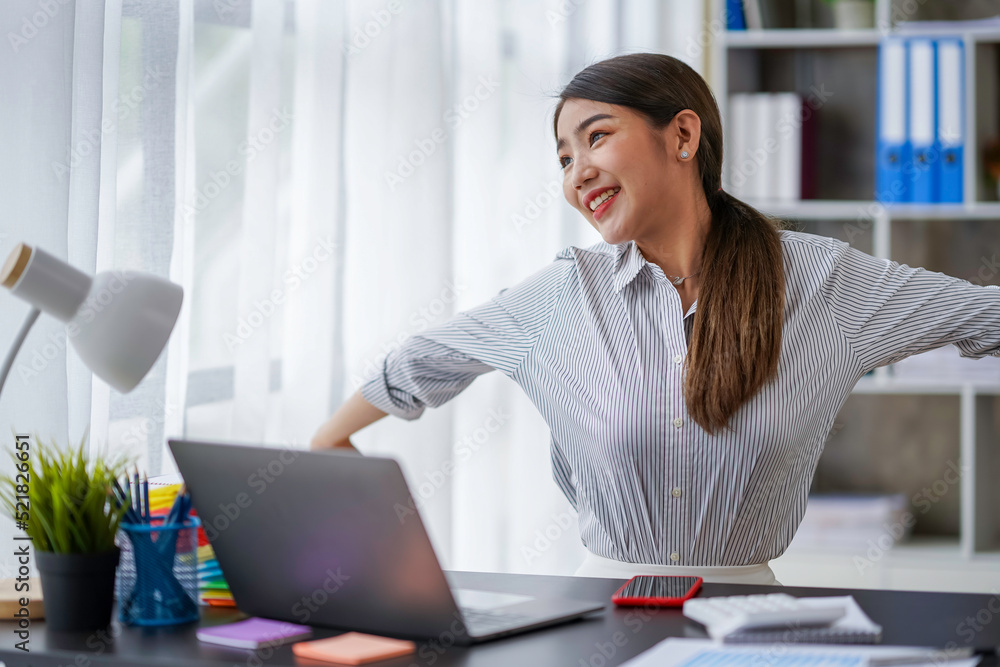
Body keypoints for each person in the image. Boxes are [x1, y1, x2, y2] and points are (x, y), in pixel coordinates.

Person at [311, 53, 1000, 585]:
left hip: (749, 624)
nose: (577, 171)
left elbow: (985, 317)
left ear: (683, 135)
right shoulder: (558, 297)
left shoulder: (822, 281)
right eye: (563, 157)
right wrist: (329, 448)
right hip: (597, 620)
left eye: (597, 137)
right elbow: (411, 367)